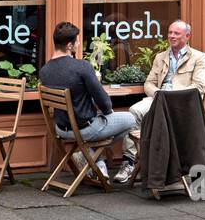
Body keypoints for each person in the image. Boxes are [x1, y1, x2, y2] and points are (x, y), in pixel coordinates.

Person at [117, 19, 205, 184]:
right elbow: (149, 83)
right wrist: (158, 94)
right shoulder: (161, 57)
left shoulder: (199, 58)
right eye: (170, 33)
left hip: (183, 106)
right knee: (133, 112)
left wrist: (171, 96)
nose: (172, 36)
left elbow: (199, 87)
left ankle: (155, 165)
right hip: (159, 99)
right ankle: (130, 161)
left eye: (176, 33)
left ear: (187, 36)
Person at [38, 21, 135, 181]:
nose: (78, 43)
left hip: (61, 129)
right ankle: (93, 156)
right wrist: (107, 114)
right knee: (132, 119)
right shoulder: (82, 67)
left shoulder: (44, 71)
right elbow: (105, 103)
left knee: (99, 121)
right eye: (77, 41)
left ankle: (95, 160)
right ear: (69, 45)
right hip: (85, 129)